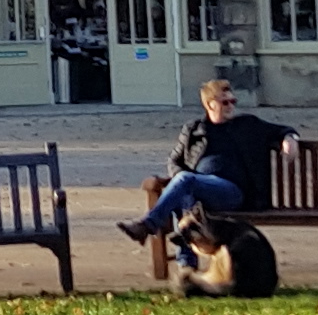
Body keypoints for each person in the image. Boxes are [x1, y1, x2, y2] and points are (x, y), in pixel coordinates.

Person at [120, 77, 297, 243]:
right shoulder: (193, 130)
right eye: (224, 102)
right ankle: (186, 261)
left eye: (233, 101)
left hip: (232, 193)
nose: (230, 106)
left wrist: (290, 138)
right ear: (209, 104)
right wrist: (182, 181)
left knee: (185, 183)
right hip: (197, 191)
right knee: (185, 193)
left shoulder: (247, 124)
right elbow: (174, 161)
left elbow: (281, 129)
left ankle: (148, 225)